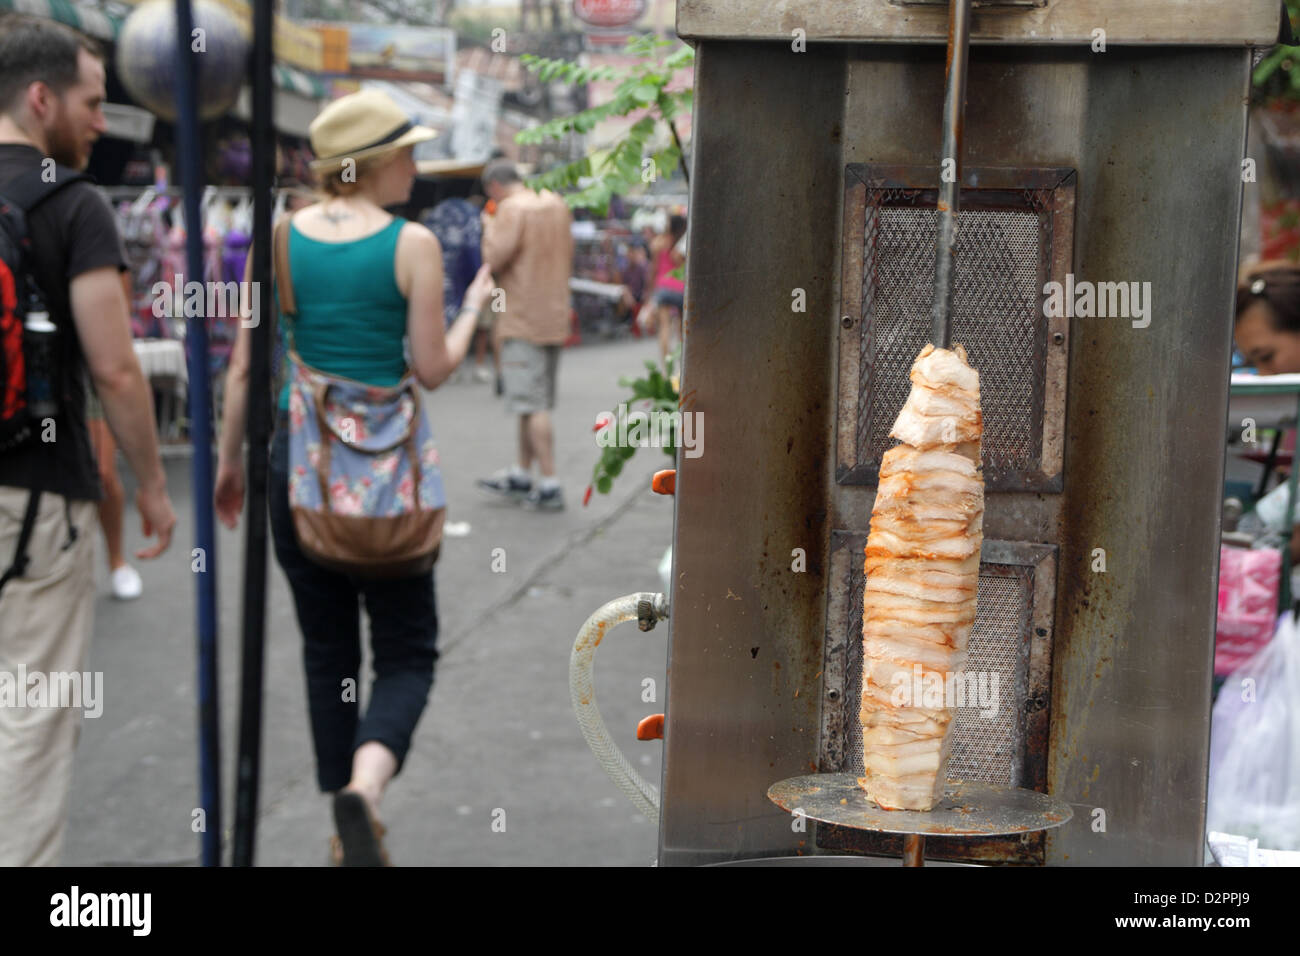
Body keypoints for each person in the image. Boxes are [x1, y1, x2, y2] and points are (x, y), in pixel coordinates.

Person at [214, 88, 492, 866]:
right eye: (407, 151)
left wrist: (230, 466)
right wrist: (473, 309)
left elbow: (243, 369)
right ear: (375, 163)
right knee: (406, 650)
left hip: (295, 475)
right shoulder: (414, 246)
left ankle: (344, 824)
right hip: (388, 490)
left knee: (325, 650)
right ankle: (365, 792)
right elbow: (433, 369)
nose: (416, 164)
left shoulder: (276, 241)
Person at [0, 15, 176, 865]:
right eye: (92, 103)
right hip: (34, 497)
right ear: (40, 99)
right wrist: (149, 484)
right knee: (32, 711)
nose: (103, 123)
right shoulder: (73, 205)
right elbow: (114, 370)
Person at [475, 158, 574, 511]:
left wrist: (488, 225)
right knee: (530, 401)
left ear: (494, 188)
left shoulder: (511, 210)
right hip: (554, 315)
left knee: (532, 405)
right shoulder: (557, 204)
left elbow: (494, 258)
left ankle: (549, 483)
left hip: (521, 318)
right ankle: (522, 473)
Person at [638, 213, 687, 363]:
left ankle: (667, 368)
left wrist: (648, 292)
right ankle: (683, 366)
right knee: (682, 330)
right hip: (681, 289)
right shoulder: (681, 244)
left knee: (664, 327)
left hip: (664, 288)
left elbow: (653, 271)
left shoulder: (658, 243)